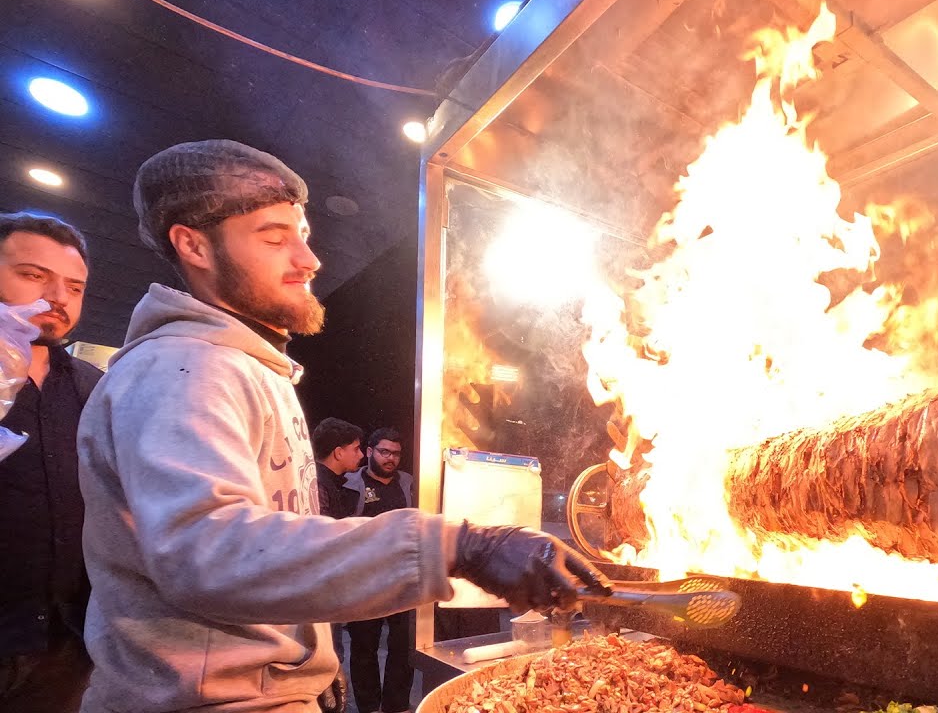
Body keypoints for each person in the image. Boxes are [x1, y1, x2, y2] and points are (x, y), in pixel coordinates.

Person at [77, 139, 611, 713]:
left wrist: (310, 663)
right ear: (194, 245)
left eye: (302, 236)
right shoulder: (183, 368)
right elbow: (207, 552)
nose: (308, 260)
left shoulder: (246, 368)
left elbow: (274, 549)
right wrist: (459, 544)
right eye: (274, 237)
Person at [0, 213, 103, 713]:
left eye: (75, 286)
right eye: (33, 275)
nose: (59, 296)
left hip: (66, 639)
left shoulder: (94, 385)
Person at [341, 428, 414, 713]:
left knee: (402, 649)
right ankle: (369, 706)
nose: (391, 458)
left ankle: (395, 706)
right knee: (364, 649)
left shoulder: (408, 484)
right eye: (385, 452)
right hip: (366, 581)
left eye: (396, 453)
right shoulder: (350, 485)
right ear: (370, 451)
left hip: (402, 580)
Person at [311, 417, 364, 519]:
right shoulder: (319, 486)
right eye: (356, 449)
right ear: (339, 453)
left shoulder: (326, 482)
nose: (361, 455)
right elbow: (322, 531)